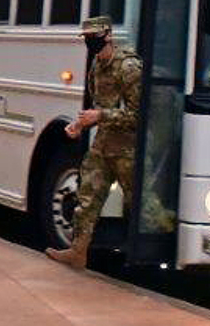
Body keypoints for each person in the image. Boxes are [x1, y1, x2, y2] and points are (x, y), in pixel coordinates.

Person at [48, 16, 142, 270]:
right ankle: (78, 251)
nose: (91, 42)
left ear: (108, 35)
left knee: (142, 205)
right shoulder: (97, 67)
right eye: (87, 38)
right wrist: (80, 125)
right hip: (103, 145)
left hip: (128, 149)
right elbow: (97, 105)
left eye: (95, 37)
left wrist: (101, 116)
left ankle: (146, 253)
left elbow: (139, 114)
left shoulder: (128, 68)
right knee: (87, 196)